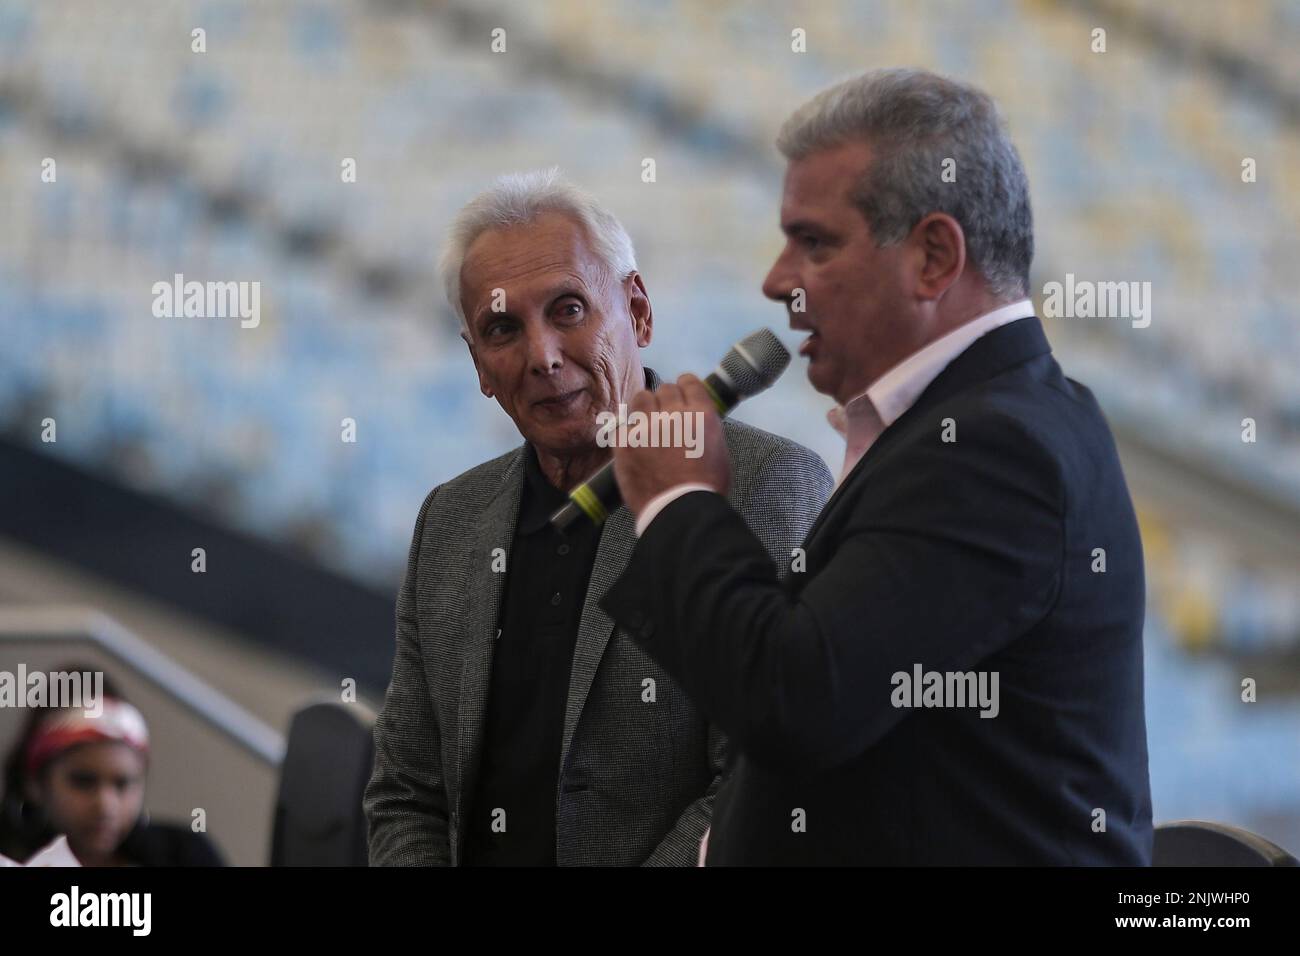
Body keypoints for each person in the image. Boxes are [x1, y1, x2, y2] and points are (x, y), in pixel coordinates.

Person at [600, 68, 1153, 865]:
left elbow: (798, 700)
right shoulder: (978, 421)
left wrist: (681, 499)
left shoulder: (995, 451)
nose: (776, 279)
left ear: (933, 257)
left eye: (814, 242)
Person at [364, 169, 832, 866]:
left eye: (569, 309)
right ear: (478, 366)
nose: (543, 357)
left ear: (637, 310)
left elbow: (758, 781)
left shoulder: (765, 485)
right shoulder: (451, 521)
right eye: (502, 329)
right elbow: (407, 793)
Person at [0, 666, 224, 866]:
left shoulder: (185, 854)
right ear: (35, 782)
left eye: (123, 784)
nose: (105, 806)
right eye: (84, 782)